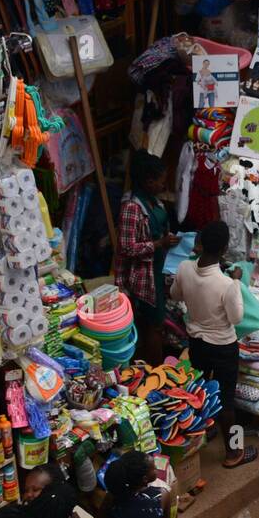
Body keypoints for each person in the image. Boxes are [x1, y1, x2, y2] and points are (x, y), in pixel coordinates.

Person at [168, 219, 254, 468]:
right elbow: (236, 318)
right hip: (223, 346)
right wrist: (237, 281)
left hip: (196, 342)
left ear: (200, 244)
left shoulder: (184, 268)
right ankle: (234, 451)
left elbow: (175, 294)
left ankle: (204, 432)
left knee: (201, 390)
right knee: (228, 400)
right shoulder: (227, 284)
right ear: (225, 249)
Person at [117, 151, 180, 366]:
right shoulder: (132, 208)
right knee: (152, 324)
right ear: (148, 181)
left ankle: (155, 365)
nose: (164, 185)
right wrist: (158, 244)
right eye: (161, 181)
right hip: (142, 277)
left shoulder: (154, 202)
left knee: (157, 322)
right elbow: (126, 248)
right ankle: (155, 369)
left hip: (157, 269)